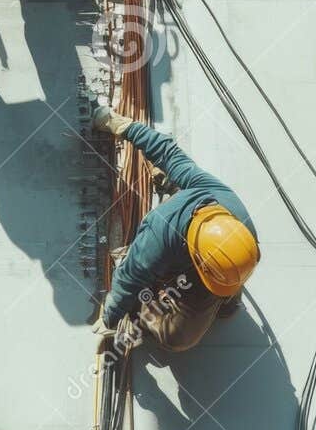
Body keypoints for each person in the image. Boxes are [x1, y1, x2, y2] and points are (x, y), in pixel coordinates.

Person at [90, 107, 260, 353]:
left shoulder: (231, 211)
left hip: (211, 264)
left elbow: (169, 154)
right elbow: (129, 277)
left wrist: (127, 127)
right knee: (178, 337)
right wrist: (111, 316)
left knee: (228, 307)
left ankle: (223, 294)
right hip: (179, 251)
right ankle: (144, 308)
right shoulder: (159, 235)